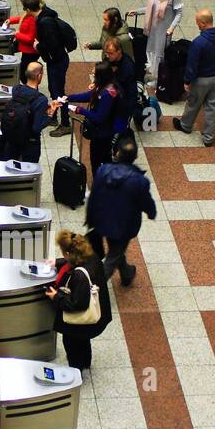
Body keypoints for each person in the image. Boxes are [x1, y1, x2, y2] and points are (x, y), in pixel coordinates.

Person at [85, 138, 157, 287]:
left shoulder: (103, 170)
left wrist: (90, 218)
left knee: (116, 251)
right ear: (135, 157)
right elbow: (146, 203)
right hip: (124, 227)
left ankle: (127, 273)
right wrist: (151, 212)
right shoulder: (139, 181)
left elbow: (94, 195)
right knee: (112, 257)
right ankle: (92, 288)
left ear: (117, 153)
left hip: (102, 220)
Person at [44, 230, 113, 371]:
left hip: (81, 323)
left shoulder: (79, 276)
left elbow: (77, 305)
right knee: (83, 341)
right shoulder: (92, 255)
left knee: (72, 344)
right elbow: (77, 258)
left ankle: (76, 373)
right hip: (97, 315)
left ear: (69, 254)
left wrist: (56, 297)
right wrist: (57, 262)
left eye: (63, 253)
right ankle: (86, 362)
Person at [172, 9, 215, 147]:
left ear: (203, 23)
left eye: (197, 22)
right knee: (212, 107)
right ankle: (208, 137)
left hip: (201, 80)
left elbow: (192, 65)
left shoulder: (198, 42)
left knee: (193, 103)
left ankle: (186, 125)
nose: (197, 25)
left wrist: (187, 81)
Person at [29, 0, 74, 138]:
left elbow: (52, 45)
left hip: (58, 61)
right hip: (55, 60)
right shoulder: (45, 15)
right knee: (53, 89)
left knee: (59, 92)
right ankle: (54, 117)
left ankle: (66, 124)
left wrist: (38, 46)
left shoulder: (45, 22)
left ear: (29, 9)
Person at [65, 62, 119, 180]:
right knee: (102, 158)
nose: (93, 76)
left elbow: (99, 117)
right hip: (101, 132)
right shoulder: (103, 87)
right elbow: (88, 95)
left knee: (98, 159)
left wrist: (80, 110)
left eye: (95, 74)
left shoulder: (106, 95)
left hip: (103, 133)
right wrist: (69, 98)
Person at [128, 0, 182, 84]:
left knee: (159, 52)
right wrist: (137, 11)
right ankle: (153, 73)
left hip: (164, 30)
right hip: (152, 28)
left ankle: (159, 79)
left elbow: (179, 13)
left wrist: (171, 27)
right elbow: (150, 8)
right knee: (150, 50)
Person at [1, 62, 59, 163]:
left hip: (12, 137)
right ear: (39, 76)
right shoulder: (41, 99)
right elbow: (37, 127)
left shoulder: (16, 89)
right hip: (30, 143)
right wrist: (50, 114)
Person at [101, 37, 137, 144]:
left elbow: (131, 92)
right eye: (106, 53)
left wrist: (129, 112)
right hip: (110, 100)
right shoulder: (108, 59)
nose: (108, 56)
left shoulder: (128, 68)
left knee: (117, 130)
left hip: (122, 104)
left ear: (119, 51)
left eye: (111, 53)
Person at [5, 0, 41, 83]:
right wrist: (11, 20)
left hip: (30, 51)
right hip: (24, 46)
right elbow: (23, 18)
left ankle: (30, 90)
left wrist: (17, 34)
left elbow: (30, 39)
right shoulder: (31, 12)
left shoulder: (34, 19)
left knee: (26, 75)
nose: (24, 9)